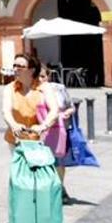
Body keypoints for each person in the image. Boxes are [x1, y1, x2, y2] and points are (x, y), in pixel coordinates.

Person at [2, 53, 59, 152]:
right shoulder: (9, 88)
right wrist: (13, 125)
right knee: (19, 167)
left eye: (20, 67)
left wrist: (43, 126)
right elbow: (5, 111)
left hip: (41, 141)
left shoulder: (44, 87)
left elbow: (54, 110)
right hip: (16, 140)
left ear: (31, 70)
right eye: (14, 66)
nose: (15, 69)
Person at [38, 67, 76, 203]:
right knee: (44, 163)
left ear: (48, 76)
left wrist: (68, 112)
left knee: (59, 162)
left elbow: (71, 106)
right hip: (41, 133)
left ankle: (60, 187)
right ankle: (47, 190)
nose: (40, 79)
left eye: (42, 76)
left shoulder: (59, 88)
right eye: (37, 76)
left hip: (59, 131)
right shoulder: (33, 91)